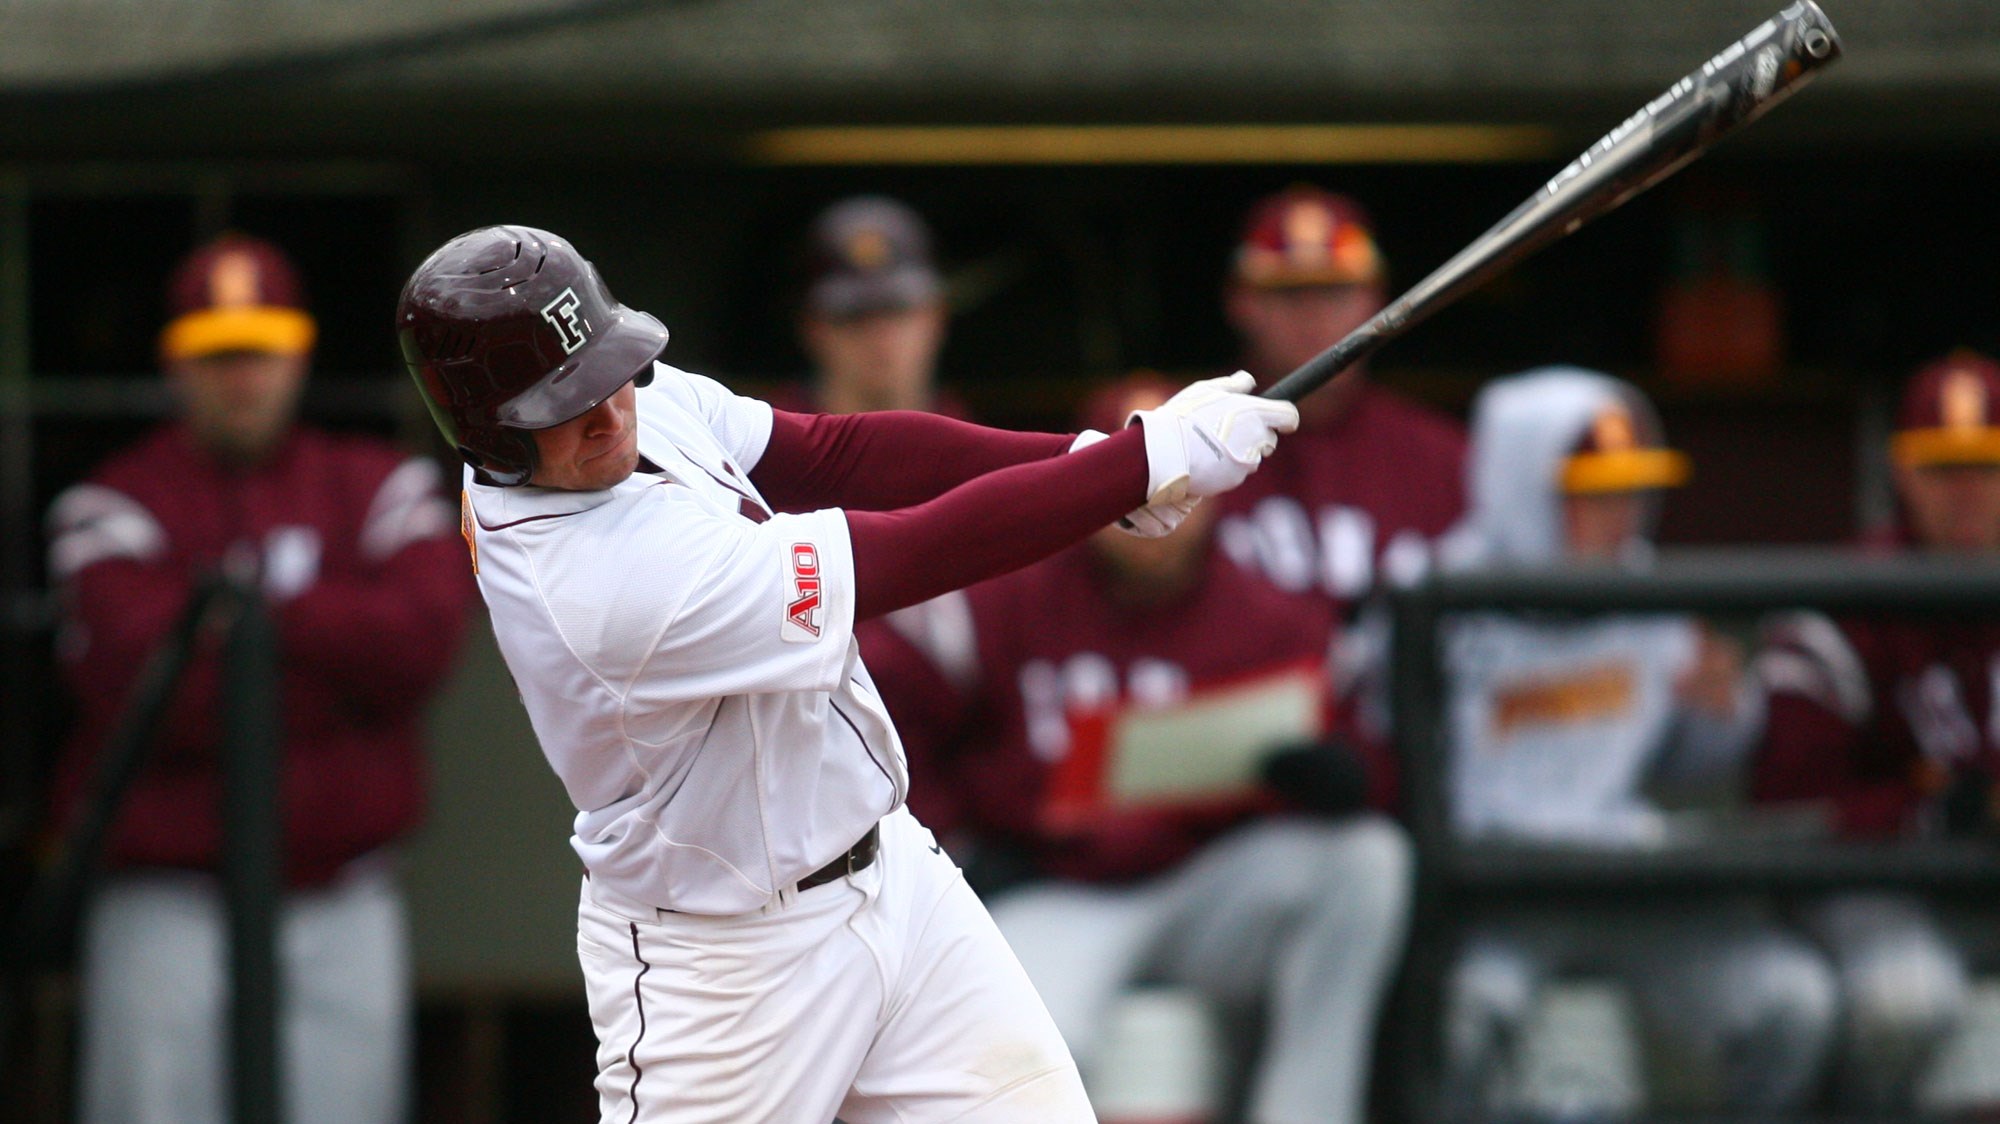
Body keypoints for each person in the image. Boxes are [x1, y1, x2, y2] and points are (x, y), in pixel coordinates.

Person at [395, 225, 1298, 1123]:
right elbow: (907, 554)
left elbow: (828, 453)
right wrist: (1140, 464)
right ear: (490, 436)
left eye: (607, 372)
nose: (609, 411)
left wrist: (1086, 465)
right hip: (729, 964)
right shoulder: (598, 585)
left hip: (893, 875)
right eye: (566, 404)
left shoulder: (623, 400)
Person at [860, 372, 1413, 1124]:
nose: (1162, 513)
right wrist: (957, 841)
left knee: (1367, 860)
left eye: (1182, 486)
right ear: (1084, 483)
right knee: (1012, 1063)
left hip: (1208, 887)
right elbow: (897, 730)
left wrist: (1345, 776)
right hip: (1059, 890)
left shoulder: (1271, 615)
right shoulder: (1004, 596)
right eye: (1137, 484)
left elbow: (1363, 757)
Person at [43, 232, 475, 1124]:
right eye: (217, 355)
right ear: (176, 362)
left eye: (262, 352)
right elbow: (152, 695)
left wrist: (240, 618)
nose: (243, 377)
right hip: (168, 900)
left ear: (299, 353)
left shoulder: (374, 482)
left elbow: (423, 644)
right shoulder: (115, 500)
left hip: (341, 895)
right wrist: (337, 644)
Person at [1435, 367, 1837, 1117]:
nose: (1620, 513)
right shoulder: (1437, 592)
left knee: (1793, 1004)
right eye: (1593, 492)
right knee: (1453, 1023)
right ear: (1525, 486)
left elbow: (1692, 765)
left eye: (1629, 488)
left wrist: (1720, 713)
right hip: (1489, 895)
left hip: (1624, 881)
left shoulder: (1646, 594)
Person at [1753, 350, 2000, 1113]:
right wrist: (1925, 809)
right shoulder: (1844, 595)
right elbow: (1786, 812)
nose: (1966, 493)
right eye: (1940, 468)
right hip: (1883, 881)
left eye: (1986, 466)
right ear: (1899, 471)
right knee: (1905, 1002)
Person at [1212, 185, 1468, 606]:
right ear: (1240, 303)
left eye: (1335, 292)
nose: (1313, 314)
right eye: (1288, 293)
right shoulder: (1192, 445)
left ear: (1375, 299)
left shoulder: (1442, 457)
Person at [779, 194, 965, 418]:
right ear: (812, 327)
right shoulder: (751, 448)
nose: (879, 334)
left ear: (937, 316)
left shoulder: (983, 447)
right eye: (853, 316)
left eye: (897, 310)